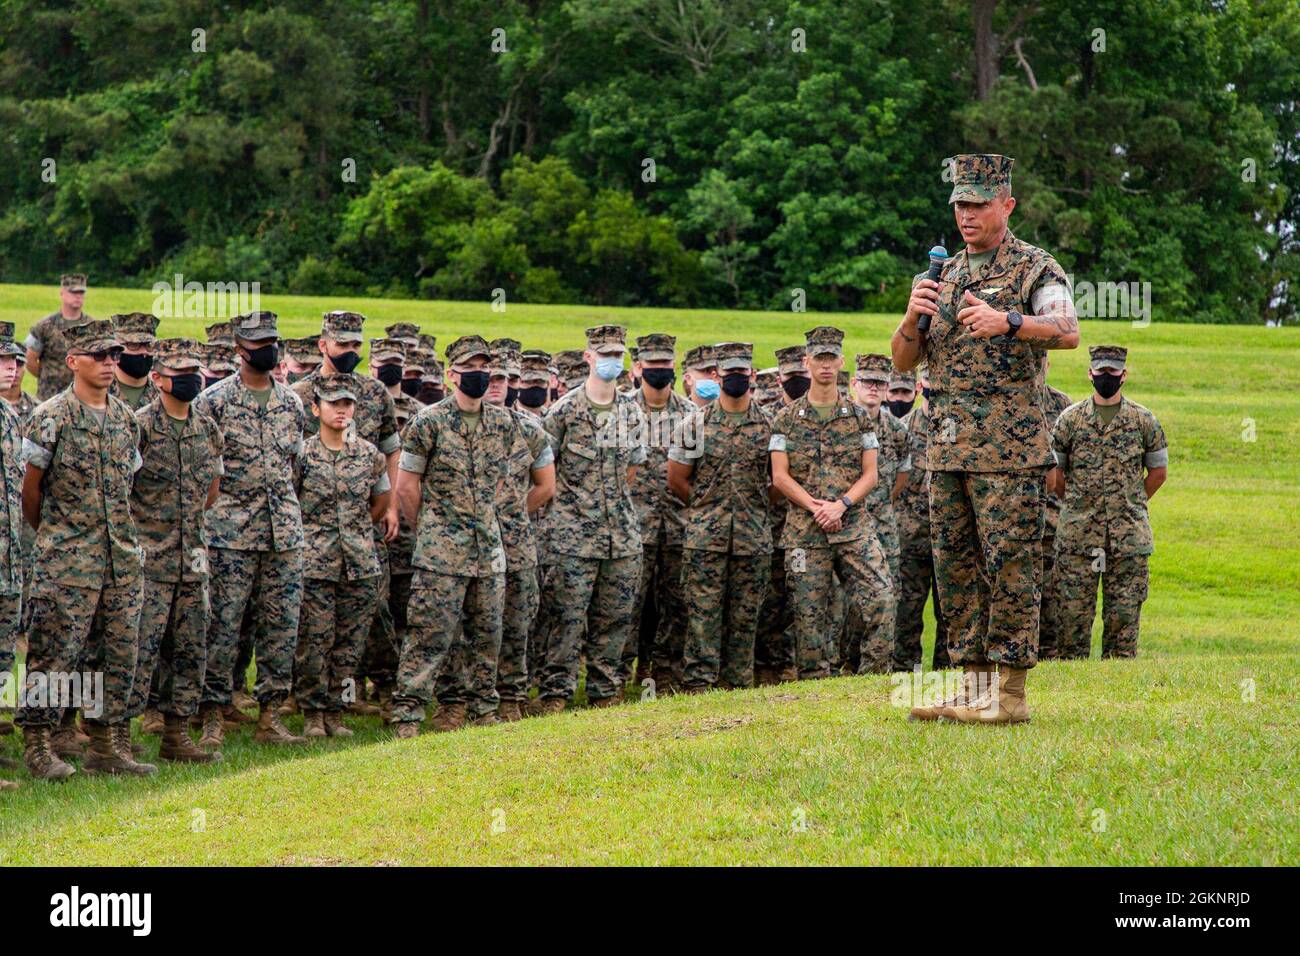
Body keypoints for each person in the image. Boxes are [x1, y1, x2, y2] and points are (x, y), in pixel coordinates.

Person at [893, 153, 1079, 724]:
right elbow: (904, 363)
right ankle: (972, 689)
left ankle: (1011, 696)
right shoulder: (943, 275)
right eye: (959, 204)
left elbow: (1069, 333)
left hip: (1009, 450)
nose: (966, 215)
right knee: (956, 569)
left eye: (977, 203)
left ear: (1006, 205)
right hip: (945, 450)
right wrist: (908, 318)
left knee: (1011, 567)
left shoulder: (1034, 269)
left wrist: (1011, 323)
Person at [18, 319, 152, 778]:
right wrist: (57, 536)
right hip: (67, 561)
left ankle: (105, 744)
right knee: (54, 654)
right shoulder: (51, 416)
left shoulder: (125, 420)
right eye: (100, 356)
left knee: (114, 655)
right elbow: (30, 491)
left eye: (114, 356)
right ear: (73, 361)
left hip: (120, 560)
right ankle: (39, 744)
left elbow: (127, 485)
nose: (110, 364)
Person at [193, 311, 308, 748]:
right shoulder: (214, 402)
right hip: (230, 535)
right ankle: (212, 717)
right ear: (240, 351)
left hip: (283, 534)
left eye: (274, 342)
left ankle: (272, 716)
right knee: (222, 628)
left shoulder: (292, 403)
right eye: (262, 344)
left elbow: (291, 467)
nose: (271, 351)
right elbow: (206, 471)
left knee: (281, 630)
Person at [389, 335, 513, 738]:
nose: (477, 375)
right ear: (451, 374)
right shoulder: (428, 422)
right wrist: (432, 529)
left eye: (483, 368)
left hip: (489, 554)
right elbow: (407, 487)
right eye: (469, 368)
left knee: (488, 636)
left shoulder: (502, 423)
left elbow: (499, 483)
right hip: (440, 555)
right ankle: (409, 715)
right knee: (430, 636)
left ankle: (482, 710)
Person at [532, 326, 647, 715]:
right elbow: (544, 471)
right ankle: (555, 694)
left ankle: (604, 691)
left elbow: (631, 470)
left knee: (614, 618)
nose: (613, 359)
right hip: (571, 537)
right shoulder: (562, 412)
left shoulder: (631, 411)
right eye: (605, 352)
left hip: (622, 536)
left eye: (619, 352)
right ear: (588, 357)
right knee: (565, 617)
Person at [769, 327, 894, 681]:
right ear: (806, 362)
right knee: (808, 613)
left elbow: (871, 474)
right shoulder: (785, 418)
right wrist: (816, 507)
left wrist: (840, 505)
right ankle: (814, 686)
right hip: (804, 533)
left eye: (831, 358)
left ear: (840, 362)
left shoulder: (857, 416)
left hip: (853, 527)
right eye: (818, 358)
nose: (825, 365)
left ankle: (873, 676)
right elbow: (780, 476)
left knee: (880, 597)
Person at [440, 341, 554, 724]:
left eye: (504, 378)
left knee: (516, 622)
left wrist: (509, 513)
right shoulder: (448, 422)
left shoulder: (526, 429)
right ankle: (455, 702)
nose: (495, 384)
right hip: (462, 545)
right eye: (493, 376)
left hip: (515, 543)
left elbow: (545, 486)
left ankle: (510, 698)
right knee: (460, 626)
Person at [126, 338, 223, 764]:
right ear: (159, 380)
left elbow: (212, 490)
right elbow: (122, 490)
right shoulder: (140, 426)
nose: (192, 380)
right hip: (150, 559)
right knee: (138, 650)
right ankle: (118, 735)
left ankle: (177, 734)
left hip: (193, 559)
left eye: (195, 372)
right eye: (181, 374)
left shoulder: (208, 428)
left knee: (189, 648)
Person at [1050, 346, 1167, 659]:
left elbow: (1158, 472)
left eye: (1112, 373)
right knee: (1072, 622)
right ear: (1090, 374)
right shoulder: (1069, 421)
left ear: (1123, 376)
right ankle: (1073, 687)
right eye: (1100, 372)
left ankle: (1117, 688)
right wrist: (1077, 502)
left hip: (1127, 539)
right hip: (1078, 538)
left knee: (1123, 624)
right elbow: (1055, 475)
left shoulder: (1144, 421)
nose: (1106, 378)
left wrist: (1131, 501)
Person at [668, 341, 773, 691]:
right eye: (729, 373)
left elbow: (777, 482)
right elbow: (678, 479)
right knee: (702, 616)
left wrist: (753, 507)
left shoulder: (770, 427)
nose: (736, 378)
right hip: (705, 540)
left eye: (742, 372)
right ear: (717, 375)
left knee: (745, 618)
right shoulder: (694, 425)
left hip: (753, 538)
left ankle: (738, 685)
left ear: (752, 375)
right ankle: (699, 686)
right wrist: (706, 509)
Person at [294, 373, 391, 737]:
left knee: (349, 645)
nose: (342, 410)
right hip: (315, 564)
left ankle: (337, 711)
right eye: (334, 404)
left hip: (360, 565)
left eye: (347, 404)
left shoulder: (369, 456)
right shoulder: (302, 454)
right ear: (316, 408)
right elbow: (292, 500)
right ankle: (313, 713)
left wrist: (358, 531)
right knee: (315, 642)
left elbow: (381, 500)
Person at [623, 333, 693, 691]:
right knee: (628, 605)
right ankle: (619, 675)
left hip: (680, 528)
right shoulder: (621, 412)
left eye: (665, 364)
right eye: (652, 365)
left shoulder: (692, 415)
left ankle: (665, 674)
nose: (659, 370)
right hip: (633, 528)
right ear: (637, 367)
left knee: (677, 604)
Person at [841, 353, 908, 673]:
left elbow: (900, 478)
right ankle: (844, 660)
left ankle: (877, 665)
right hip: (847, 522)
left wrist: (882, 505)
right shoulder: (843, 422)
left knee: (887, 593)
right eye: (867, 381)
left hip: (883, 523)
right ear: (854, 384)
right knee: (847, 598)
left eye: (880, 383)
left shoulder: (896, 429)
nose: (873, 388)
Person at [753, 344, 810, 684]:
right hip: (769, 525)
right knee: (769, 598)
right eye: (790, 377)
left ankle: (792, 664)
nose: (797, 382)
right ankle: (764, 666)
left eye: (801, 376)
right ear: (779, 380)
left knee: (799, 598)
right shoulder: (770, 421)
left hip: (805, 526)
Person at [891, 367, 951, 671]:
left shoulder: (957, 427)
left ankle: (949, 682)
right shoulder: (900, 429)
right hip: (909, 542)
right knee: (905, 617)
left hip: (951, 543)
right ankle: (904, 680)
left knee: (952, 619)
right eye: (929, 379)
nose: (934, 385)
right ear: (919, 385)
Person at [0, 323, 25, 788]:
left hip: (8, 564)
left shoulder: (9, 416)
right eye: (3, 360)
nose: (13, 367)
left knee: (3, 661)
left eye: (15, 360)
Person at [1037, 355, 1073, 659]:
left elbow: (1070, 465)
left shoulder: (1063, 406)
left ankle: (1049, 659)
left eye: (1043, 362)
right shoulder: (1007, 399)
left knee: (1050, 597)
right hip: (1009, 518)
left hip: (1051, 520)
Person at [25, 274, 94, 403]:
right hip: (49, 396)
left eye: (81, 292)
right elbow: (30, 359)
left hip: (82, 396)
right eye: (73, 292)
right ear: (62, 293)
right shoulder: (45, 326)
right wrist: (47, 376)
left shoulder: (91, 326)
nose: (78, 296)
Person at [109, 313, 161, 410]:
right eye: (133, 345)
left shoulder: (163, 396)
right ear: (117, 348)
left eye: (148, 345)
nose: (144, 352)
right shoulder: (99, 392)